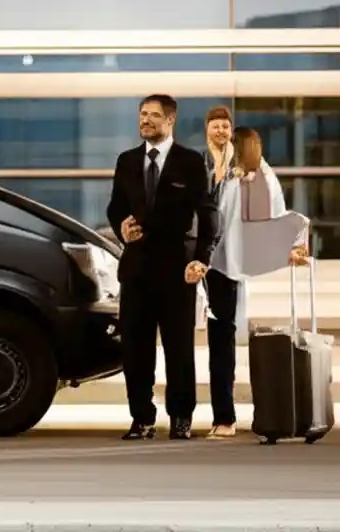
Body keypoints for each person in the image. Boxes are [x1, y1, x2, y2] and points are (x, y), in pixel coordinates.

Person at [107, 94, 221, 441]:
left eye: (154, 115)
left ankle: (181, 419)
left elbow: (208, 214)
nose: (146, 120)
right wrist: (121, 228)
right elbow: (115, 208)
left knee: (179, 350)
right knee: (136, 350)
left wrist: (202, 258)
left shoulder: (189, 162)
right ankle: (141, 418)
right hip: (136, 269)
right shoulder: (126, 161)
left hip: (177, 269)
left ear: (170, 120)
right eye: (143, 114)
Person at [205, 127, 311, 437]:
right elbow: (280, 219)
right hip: (245, 269)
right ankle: (255, 415)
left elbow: (214, 220)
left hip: (220, 268)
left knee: (221, 345)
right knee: (229, 344)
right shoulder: (266, 177)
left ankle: (224, 418)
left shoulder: (229, 180)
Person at [200, 106, 240, 439]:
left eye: (225, 126)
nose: (221, 131)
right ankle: (181, 415)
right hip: (197, 260)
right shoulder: (198, 164)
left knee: (222, 337)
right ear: (206, 130)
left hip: (228, 264)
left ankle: (224, 417)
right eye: (215, 126)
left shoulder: (246, 167)